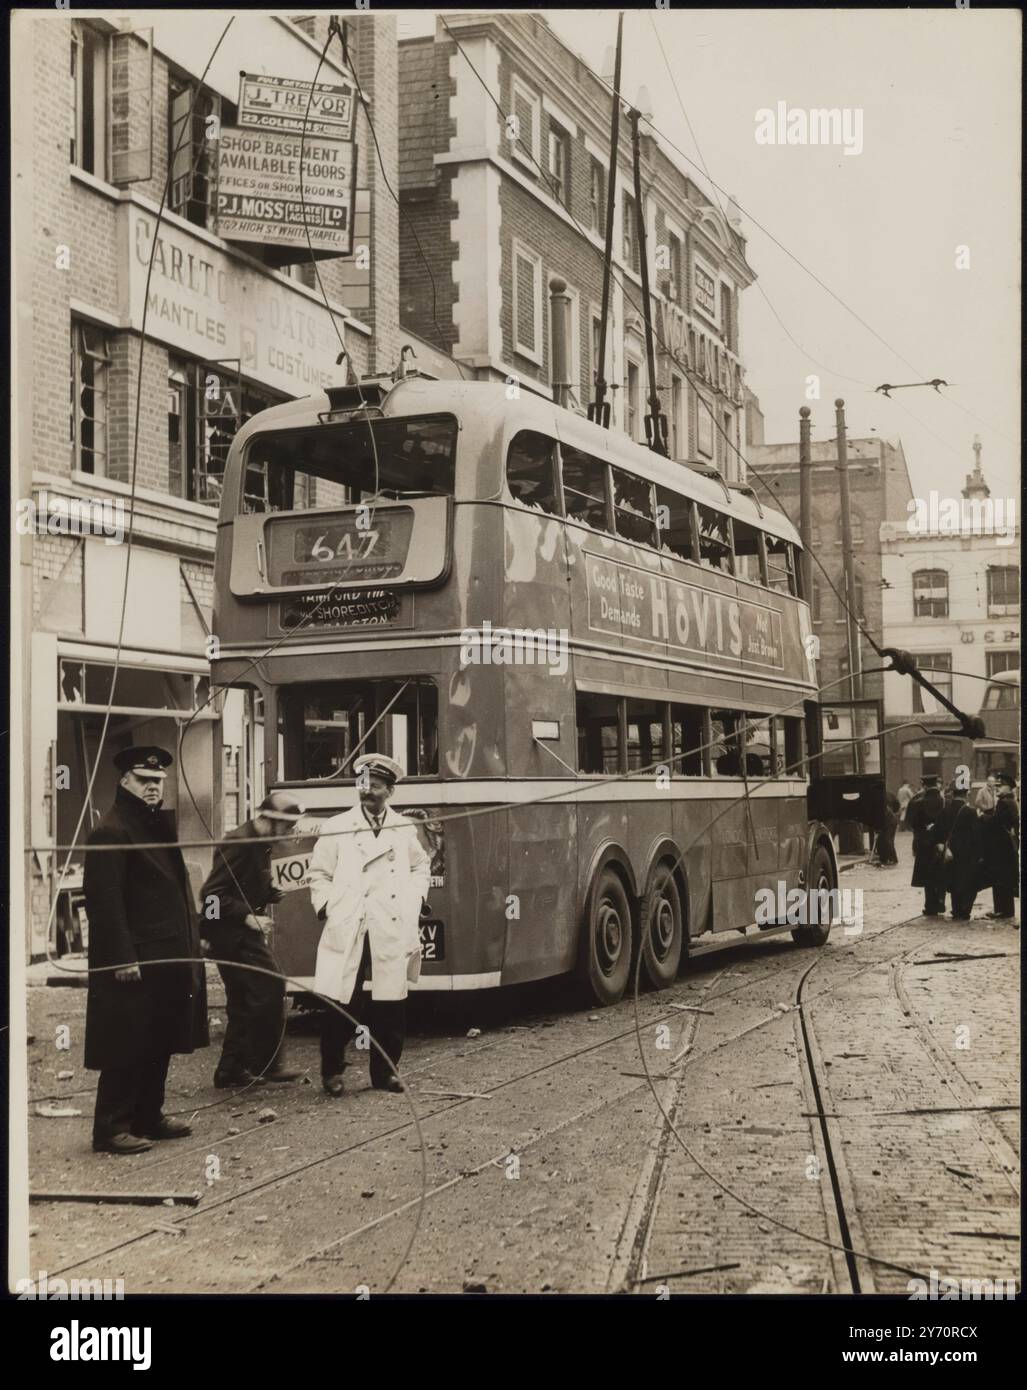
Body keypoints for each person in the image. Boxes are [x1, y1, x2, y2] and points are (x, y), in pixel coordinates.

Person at [83, 747, 208, 1155]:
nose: (153, 788)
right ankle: (110, 1127)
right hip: (134, 958)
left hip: (167, 955)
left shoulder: (154, 825)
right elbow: (105, 900)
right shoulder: (113, 830)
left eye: (158, 782)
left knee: (160, 1035)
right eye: (144, 780)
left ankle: (148, 1116)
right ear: (124, 782)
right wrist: (121, 957)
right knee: (126, 1040)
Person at [308, 754, 431, 1097]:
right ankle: (332, 1071)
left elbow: (421, 866)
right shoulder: (337, 826)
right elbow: (318, 874)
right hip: (351, 923)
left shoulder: (403, 828)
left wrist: (415, 900)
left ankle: (386, 1073)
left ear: (390, 791)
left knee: (390, 1002)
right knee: (340, 1000)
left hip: (390, 923)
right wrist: (329, 906)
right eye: (363, 786)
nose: (367, 792)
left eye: (375, 787)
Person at [200, 793, 306, 1089]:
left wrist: (268, 892)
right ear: (267, 821)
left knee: (244, 1001)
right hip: (231, 934)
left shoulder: (259, 843)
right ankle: (267, 1063)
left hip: (237, 931)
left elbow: (242, 883)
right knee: (270, 985)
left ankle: (230, 1070)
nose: (288, 833)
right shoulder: (239, 843)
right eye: (285, 827)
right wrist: (246, 915)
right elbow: (209, 897)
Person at [936, 782, 982, 920]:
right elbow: (977, 833)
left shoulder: (945, 810)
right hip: (968, 852)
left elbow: (939, 831)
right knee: (968, 880)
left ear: (953, 793)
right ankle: (965, 910)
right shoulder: (971, 811)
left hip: (951, 851)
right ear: (966, 793)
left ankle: (956, 909)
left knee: (954, 879)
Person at [905, 774, 947, 916]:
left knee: (928, 876)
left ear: (924, 785)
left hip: (924, 842)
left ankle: (930, 905)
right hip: (940, 841)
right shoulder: (942, 800)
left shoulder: (918, 801)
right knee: (940, 872)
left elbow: (910, 822)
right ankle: (941, 902)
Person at [982, 771, 1019, 920]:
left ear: (1009, 788)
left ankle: (1001, 910)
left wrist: (984, 817)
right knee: (1006, 878)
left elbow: (996, 822)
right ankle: (1006, 910)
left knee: (1000, 878)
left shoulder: (1004, 802)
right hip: (1008, 846)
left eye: (1001, 785)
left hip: (1001, 847)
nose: (997, 787)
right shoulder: (1011, 801)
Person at [874, 793, 900, 866]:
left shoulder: (878, 805)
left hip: (890, 822)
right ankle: (883, 858)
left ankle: (893, 859)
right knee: (880, 841)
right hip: (887, 821)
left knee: (888, 840)